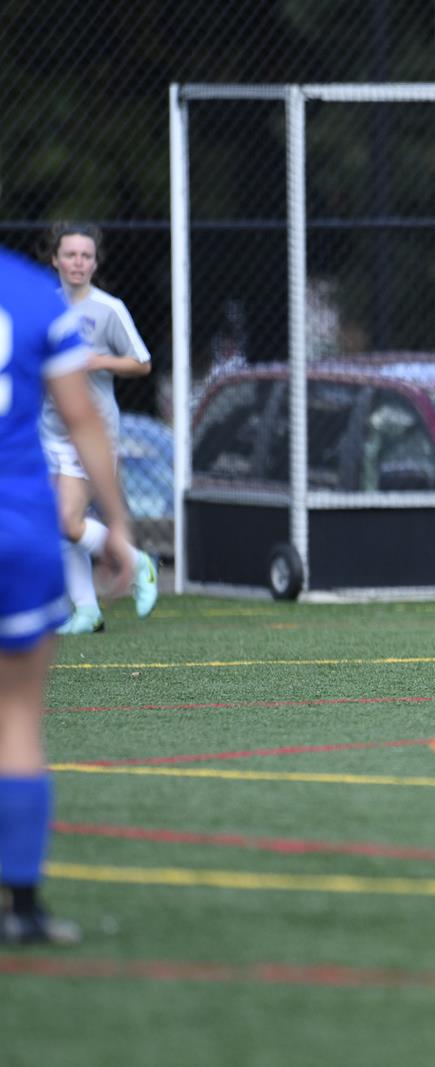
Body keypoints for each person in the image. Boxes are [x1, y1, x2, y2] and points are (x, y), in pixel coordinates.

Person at [1, 242, 136, 944]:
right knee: (16, 717)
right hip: (17, 525)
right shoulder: (31, 294)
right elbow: (81, 416)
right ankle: (23, 907)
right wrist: (118, 527)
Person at [40, 223, 159, 634]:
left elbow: (142, 363)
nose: (78, 262)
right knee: (59, 528)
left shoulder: (109, 309)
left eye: (86, 256)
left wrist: (97, 361)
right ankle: (87, 611)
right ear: (55, 259)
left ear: (95, 263)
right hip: (48, 433)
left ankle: (137, 562)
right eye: (70, 255)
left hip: (91, 434)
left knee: (68, 521)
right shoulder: (44, 306)